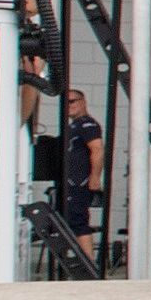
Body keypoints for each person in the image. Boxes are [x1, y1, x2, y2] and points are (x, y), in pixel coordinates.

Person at [57, 85, 105, 262]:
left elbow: (97, 149)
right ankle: (81, 261)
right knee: (69, 219)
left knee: (78, 220)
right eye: (65, 102)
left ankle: (88, 264)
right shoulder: (74, 126)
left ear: (83, 102)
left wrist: (94, 177)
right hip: (70, 182)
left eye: (72, 101)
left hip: (80, 182)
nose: (68, 105)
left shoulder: (88, 124)